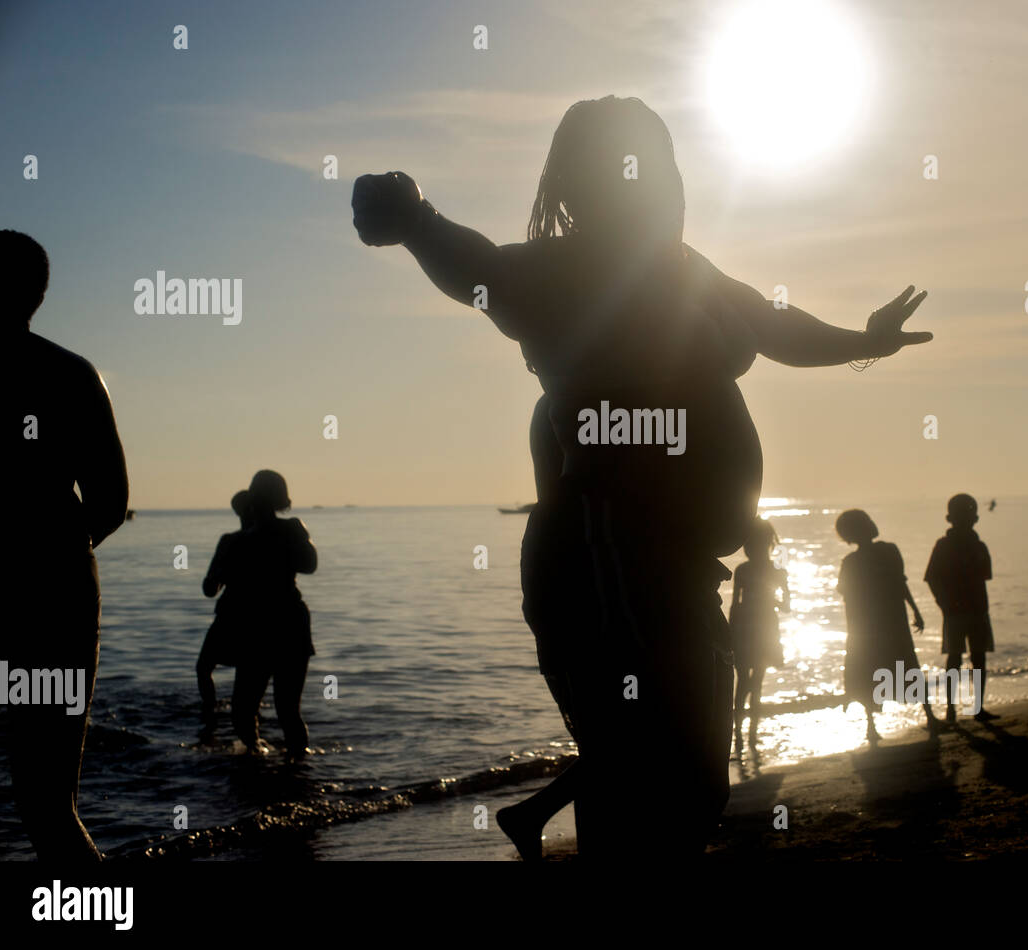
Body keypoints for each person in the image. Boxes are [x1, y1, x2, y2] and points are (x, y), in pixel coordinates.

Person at [353, 95, 931, 856]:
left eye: (659, 161)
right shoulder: (564, 271)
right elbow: (479, 270)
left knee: (688, 781)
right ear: (582, 185)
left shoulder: (690, 270)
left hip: (676, 565)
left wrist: (867, 340)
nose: (651, 179)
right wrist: (416, 218)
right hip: (605, 560)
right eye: (630, 165)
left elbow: (774, 324)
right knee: (651, 780)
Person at [0, 230, 129, 861]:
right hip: (62, 592)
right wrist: (54, 550)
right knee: (47, 805)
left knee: (45, 805)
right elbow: (110, 500)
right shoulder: (73, 374)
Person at [229, 470, 317, 760]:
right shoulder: (252, 537)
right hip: (280, 621)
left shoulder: (277, 532)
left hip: (266, 623)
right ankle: (292, 767)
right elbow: (309, 564)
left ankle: (266, 764)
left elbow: (309, 564)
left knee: (254, 707)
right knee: (280, 709)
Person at [837, 510, 938, 743]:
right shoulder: (888, 551)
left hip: (870, 625)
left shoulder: (851, 562)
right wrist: (915, 609)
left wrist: (915, 609)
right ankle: (929, 716)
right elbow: (900, 583)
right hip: (891, 620)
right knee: (906, 664)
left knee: (870, 670)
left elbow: (847, 597)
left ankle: (872, 726)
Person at [924, 494, 996, 723]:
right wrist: (943, 603)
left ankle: (962, 709)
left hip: (969, 608)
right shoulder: (953, 546)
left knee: (968, 658)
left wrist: (944, 602)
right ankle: (959, 709)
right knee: (967, 658)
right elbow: (933, 578)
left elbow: (932, 578)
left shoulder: (964, 545)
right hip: (964, 608)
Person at [197, 489, 254, 736]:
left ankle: (213, 715)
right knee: (206, 667)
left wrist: (218, 578)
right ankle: (216, 713)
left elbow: (210, 587)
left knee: (207, 667)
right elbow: (210, 586)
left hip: (239, 615)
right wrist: (218, 576)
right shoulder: (229, 541)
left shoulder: (231, 541)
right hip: (237, 615)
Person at [730, 517, 789, 751]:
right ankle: (748, 735)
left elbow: (736, 604)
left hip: (748, 628)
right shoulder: (776, 571)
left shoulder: (743, 570)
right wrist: (772, 599)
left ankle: (742, 736)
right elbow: (787, 607)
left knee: (746, 681)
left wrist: (730, 631)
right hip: (761, 628)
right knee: (753, 682)